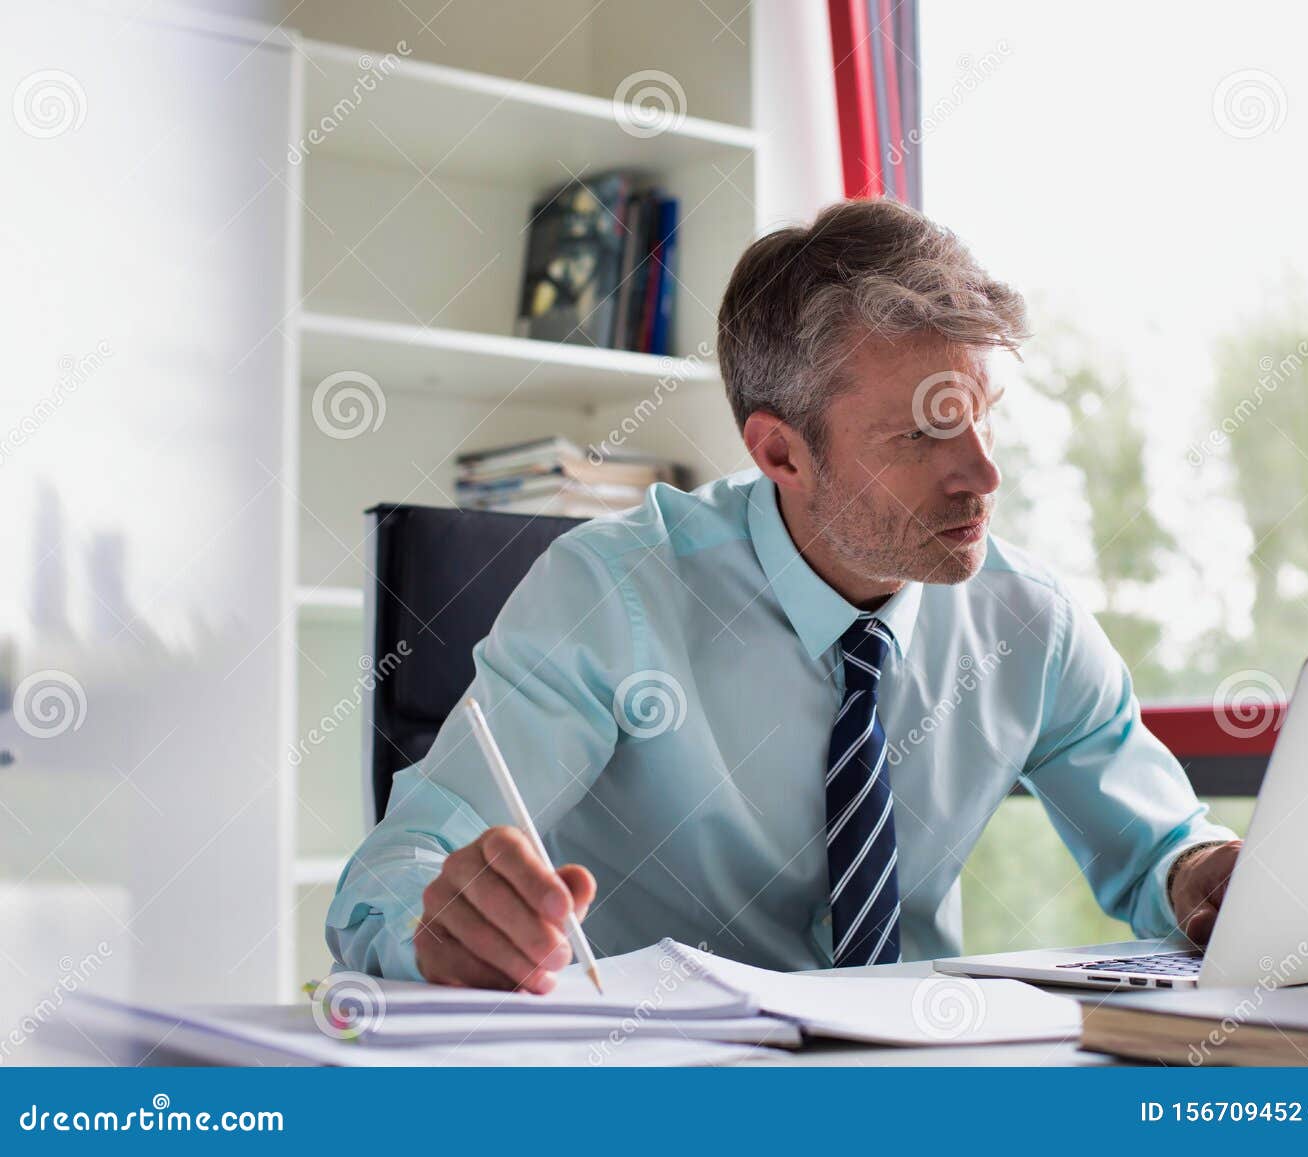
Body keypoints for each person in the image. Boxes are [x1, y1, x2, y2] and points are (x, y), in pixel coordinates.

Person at [326, 198, 1241, 992]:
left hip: (926, 1075)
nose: (982, 473)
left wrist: (1207, 875)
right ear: (780, 453)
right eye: (925, 432)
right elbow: (391, 875)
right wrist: (438, 928)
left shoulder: (1026, 620)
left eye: (983, 413)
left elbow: (1165, 852)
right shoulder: (612, 594)